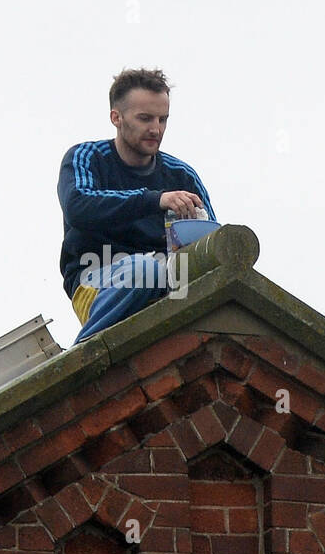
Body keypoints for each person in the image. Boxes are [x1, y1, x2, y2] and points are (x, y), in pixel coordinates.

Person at [57, 68, 217, 346]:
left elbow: (212, 243)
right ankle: (85, 356)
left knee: (186, 275)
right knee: (146, 270)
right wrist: (155, 200)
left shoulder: (182, 175)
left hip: (169, 281)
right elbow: (78, 206)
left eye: (162, 119)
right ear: (116, 118)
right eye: (145, 118)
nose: (156, 129)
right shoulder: (87, 157)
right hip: (95, 279)